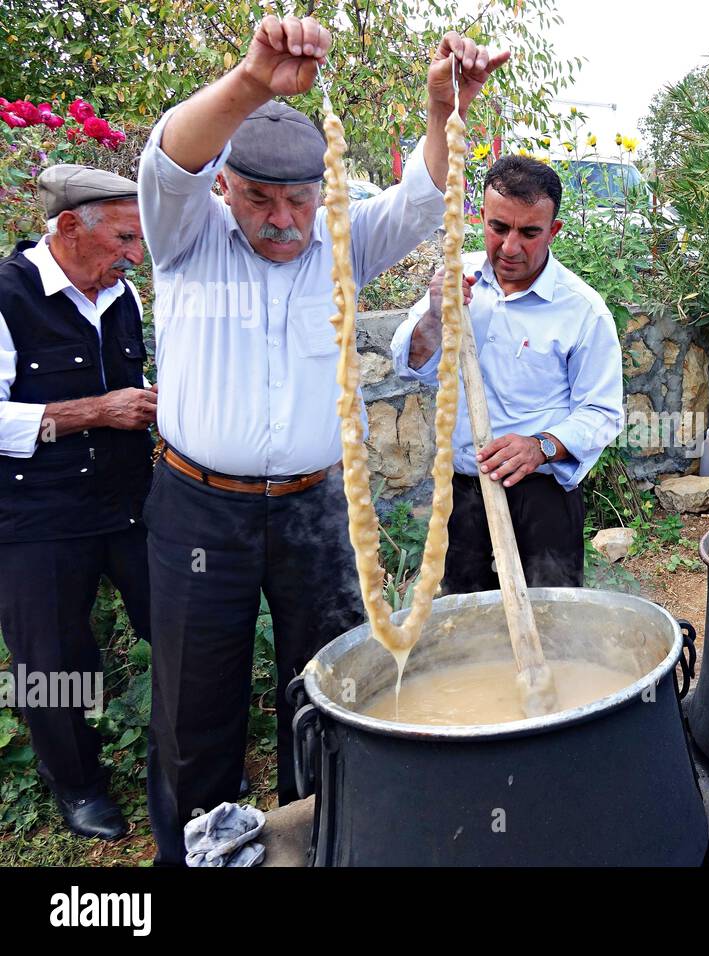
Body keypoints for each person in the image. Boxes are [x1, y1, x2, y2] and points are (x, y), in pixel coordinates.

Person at [136, 13, 508, 864]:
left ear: (322, 196)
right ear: (226, 187)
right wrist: (251, 83)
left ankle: (326, 833)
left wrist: (441, 108)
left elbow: (421, 195)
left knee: (331, 682)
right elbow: (169, 157)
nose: (282, 220)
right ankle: (195, 854)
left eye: (299, 200)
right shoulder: (184, 236)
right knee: (196, 704)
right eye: (261, 199)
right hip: (202, 512)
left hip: (318, 507)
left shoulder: (341, 243)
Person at [0, 165, 154, 839]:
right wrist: (95, 411)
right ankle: (78, 784)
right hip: (37, 514)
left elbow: (132, 380)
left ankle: (190, 757)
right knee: (50, 659)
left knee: (179, 626)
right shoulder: (8, 297)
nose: (134, 256)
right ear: (70, 226)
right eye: (125, 238)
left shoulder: (123, 297)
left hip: (130, 501)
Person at [390, 155, 623, 592]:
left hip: (542, 493)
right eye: (498, 228)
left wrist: (540, 446)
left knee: (552, 616)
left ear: (553, 231)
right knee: (465, 624)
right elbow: (410, 366)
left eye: (529, 232)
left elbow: (602, 412)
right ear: (482, 217)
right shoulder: (458, 284)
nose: (510, 247)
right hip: (463, 490)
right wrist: (437, 316)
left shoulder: (582, 309)